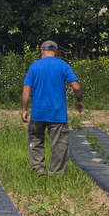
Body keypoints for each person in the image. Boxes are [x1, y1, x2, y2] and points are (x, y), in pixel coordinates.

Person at [21, 39, 83, 175]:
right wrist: (79, 100)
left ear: (42, 52)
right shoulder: (63, 65)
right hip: (58, 114)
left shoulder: (35, 66)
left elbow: (26, 88)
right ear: (56, 52)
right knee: (59, 144)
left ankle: (38, 170)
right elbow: (76, 87)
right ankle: (55, 174)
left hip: (38, 112)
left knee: (36, 140)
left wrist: (24, 109)